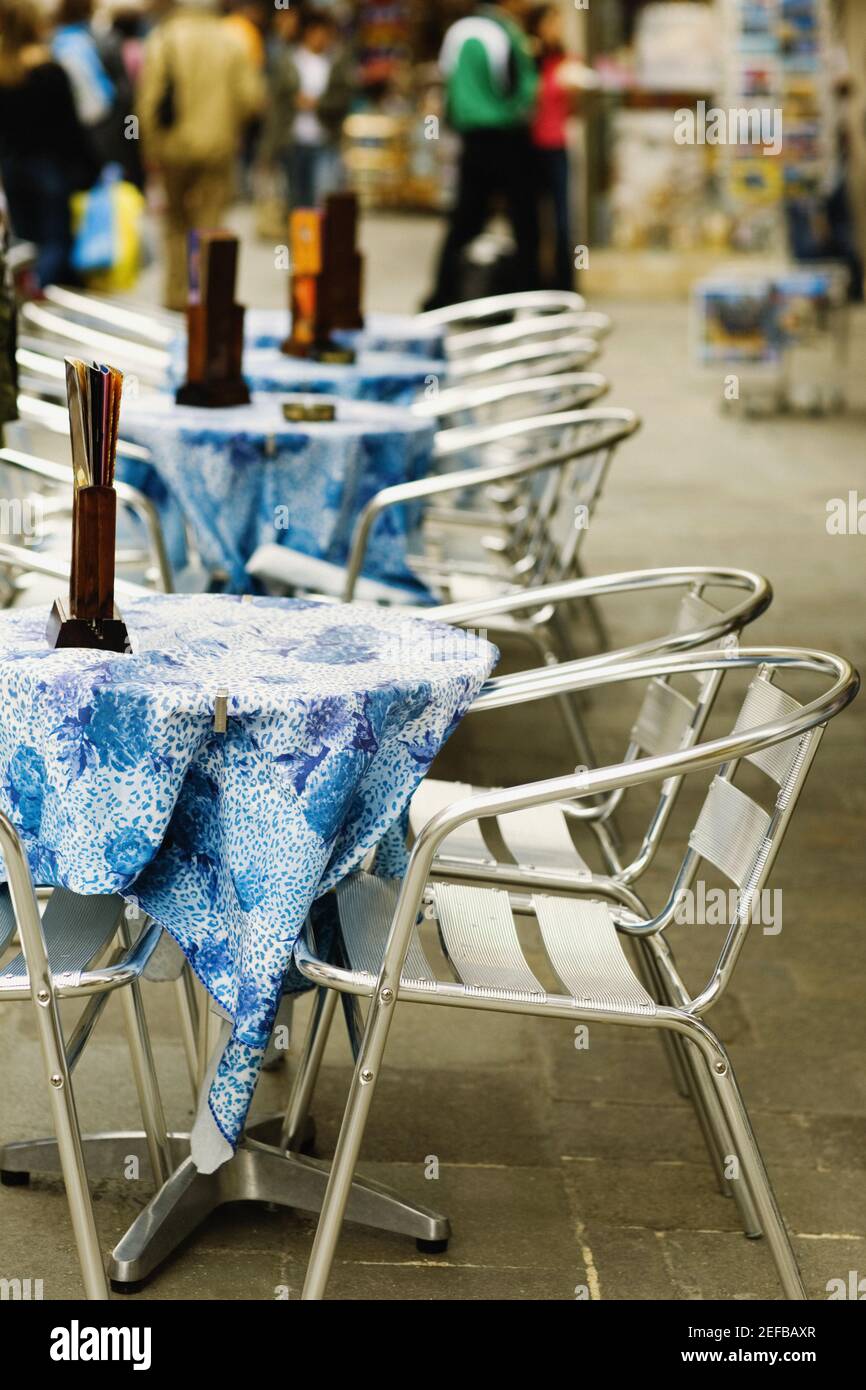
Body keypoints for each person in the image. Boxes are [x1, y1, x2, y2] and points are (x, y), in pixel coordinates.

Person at [137, 0, 264, 309]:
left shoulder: (161, 39)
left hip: (173, 149)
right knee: (209, 226)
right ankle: (205, 302)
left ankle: (177, 297)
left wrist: (149, 149)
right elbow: (253, 100)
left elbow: (147, 103)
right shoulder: (233, 40)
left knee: (176, 224)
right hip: (217, 148)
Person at [422, 0, 539, 312]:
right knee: (525, 221)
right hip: (505, 136)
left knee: (463, 221)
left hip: (471, 141)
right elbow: (522, 88)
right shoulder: (505, 32)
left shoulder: (457, 32)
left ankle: (441, 295)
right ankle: (532, 295)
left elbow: (447, 83)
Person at [0, 0, 98, 287]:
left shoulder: (4, 72)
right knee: (56, 241)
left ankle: (29, 297)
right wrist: (89, 168)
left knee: (27, 242)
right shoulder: (51, 71)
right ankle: (44, 293)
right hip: (51, 167)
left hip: (13, 167)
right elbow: (69, 129)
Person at [262, 8, 354, 211]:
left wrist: (318, 104)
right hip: (293, 140)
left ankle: (320, 242)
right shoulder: (288, 61)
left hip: (324, 140)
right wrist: (268, 149)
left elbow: (344, 98)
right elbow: (276, 103)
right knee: (295, 201)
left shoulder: (336, 62)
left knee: (322, 200)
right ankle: (297, 241)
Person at [528, 3, 592, 292]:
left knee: (563, 219)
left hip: (557, 146)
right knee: (534, 220)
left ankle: (565, 285)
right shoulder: (529, 58)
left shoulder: (566, 60)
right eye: (551, 23)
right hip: (530, 147)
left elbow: (575, 109)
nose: (556, 29)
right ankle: (535, 283)